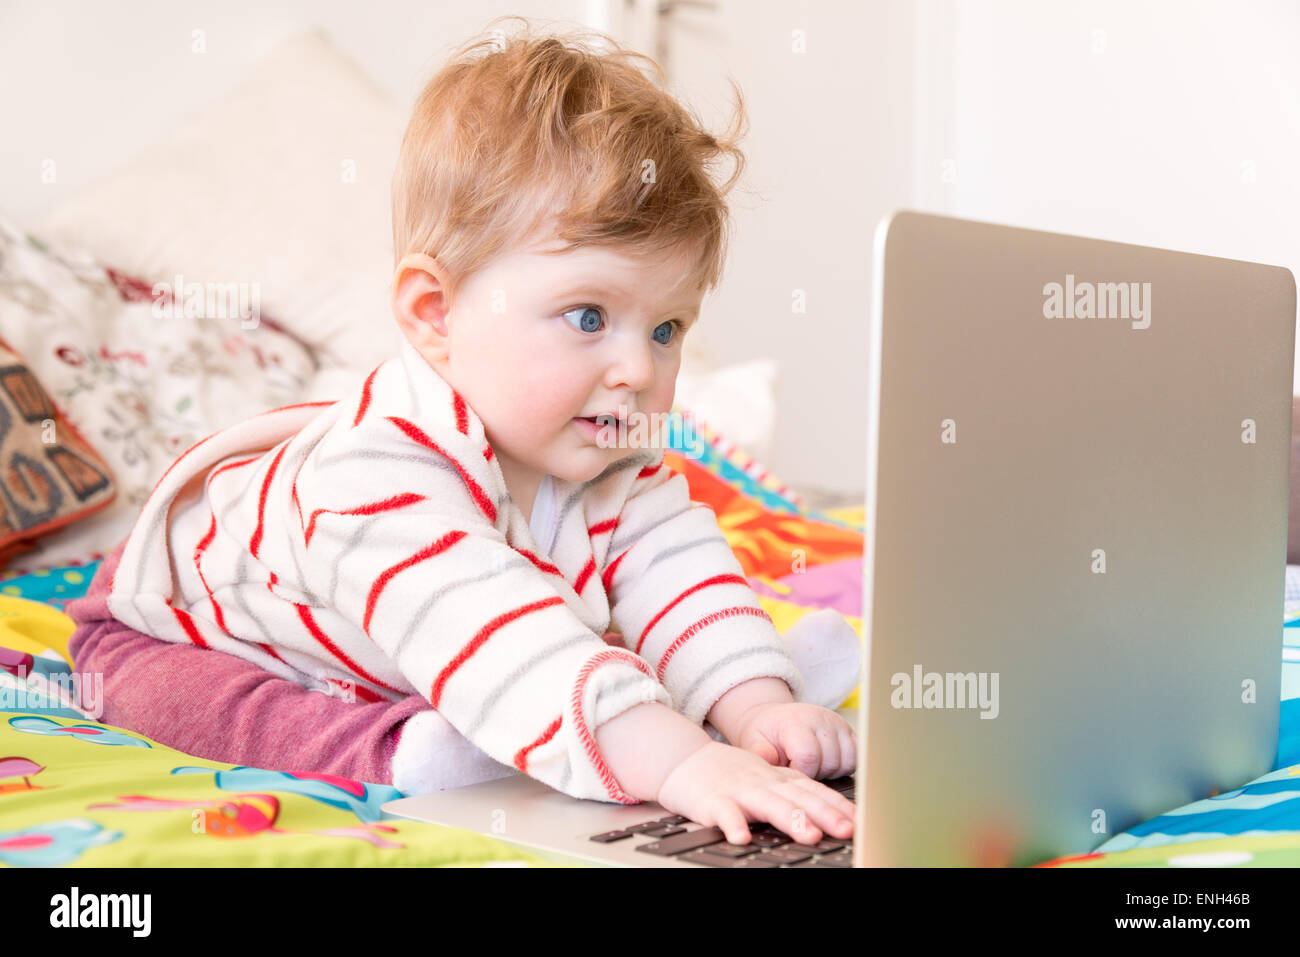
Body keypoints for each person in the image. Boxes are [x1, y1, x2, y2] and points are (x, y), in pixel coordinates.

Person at [67, 18, 860, 848]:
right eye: (589, 316)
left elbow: (680, 574)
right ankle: (408, 746)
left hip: (420, 628)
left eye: (666, 328)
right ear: (435, 313)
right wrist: (685, 763)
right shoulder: (374, 472)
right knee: (187, 703)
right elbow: (503, 630)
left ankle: (584, 702)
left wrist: (757, 706)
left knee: (619, 638)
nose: (638, 368)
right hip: (176, 626)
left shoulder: (610, 450)